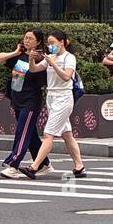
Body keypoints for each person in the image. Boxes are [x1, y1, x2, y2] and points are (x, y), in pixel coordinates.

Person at [20, 29, 86, 180]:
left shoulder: (69, 58)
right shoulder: (50, 56)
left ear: (61, 42)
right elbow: (34, 69)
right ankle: (79, 166)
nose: (50, 46)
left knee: (48, 134)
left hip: (64, 97)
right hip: (52, 97)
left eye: (52, 43)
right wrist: (31, 58)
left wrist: (53, 64)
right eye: (48, 44)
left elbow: (66, 77)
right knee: (67, 135)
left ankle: (34, 167)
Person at [0, 29, 53, 178]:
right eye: (25, 38)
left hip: (31, 102)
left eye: (30, 38)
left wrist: (35, 58)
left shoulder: (40, 59)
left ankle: (13, 164)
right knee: (30, 134)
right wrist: (15, 52)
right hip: (17, 100)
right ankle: (44, 164)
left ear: (38, 42)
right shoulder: (19, 56)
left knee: (22, 133)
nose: (27, 40)